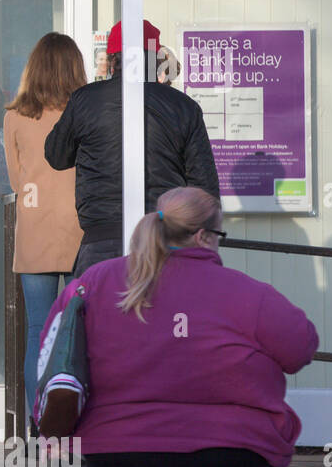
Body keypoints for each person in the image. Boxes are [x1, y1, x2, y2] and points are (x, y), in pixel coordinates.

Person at [41, 187, 318, 467]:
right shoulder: (247, 293)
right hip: (231, 457)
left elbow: (53, 350)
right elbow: (300, 348)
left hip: (125, 457)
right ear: (207, 236)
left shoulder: (95, 281)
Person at [44, 19, 219, 276]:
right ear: (155, 57)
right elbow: (205, 187)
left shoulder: (85, 100)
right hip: (164, 238)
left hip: (101, 240)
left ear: (113, 57)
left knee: (98, 316)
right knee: (162, 315)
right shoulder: (183, 106)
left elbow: (56, 156)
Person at [3, 33, 85, 423]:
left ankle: (40, 422)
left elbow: (17, 182)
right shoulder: (84, 113)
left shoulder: (15, 116)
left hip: (34, 231)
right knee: (75, 332)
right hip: (80, 232)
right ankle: (75, 419)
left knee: (39, 329)